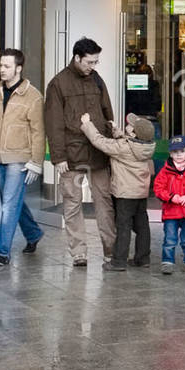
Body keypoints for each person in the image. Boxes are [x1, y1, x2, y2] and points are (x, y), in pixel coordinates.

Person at [44, 37, 116, 267]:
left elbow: (108, 112)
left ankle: (110, 250)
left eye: (96, 62)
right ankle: (79, 253)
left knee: (104, 202)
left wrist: (112, 139)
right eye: (90, 62)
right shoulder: (58, 84)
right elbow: (53, 123)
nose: (93, 67)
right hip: (71, 155)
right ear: (77, 58)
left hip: (98, 153)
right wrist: (58, 157)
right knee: (72, 203)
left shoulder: (97, 80)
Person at [0, 48, 46, 266]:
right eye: (0, 65)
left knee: (8, 205)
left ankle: (1, 252)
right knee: (12, 202)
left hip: (20, 160)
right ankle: (33, 233)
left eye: (6, 66)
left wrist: (36, 163)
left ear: (19, 68)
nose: (2, 70)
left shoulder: (33, 96)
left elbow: (38, 132)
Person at [83, 112, 156, 272]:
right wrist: (117, 132)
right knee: (142, 225)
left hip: (125, 194)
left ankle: (119, 261)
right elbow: (129, 143)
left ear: (133, 133)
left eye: (130, 126)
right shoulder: (146, 146)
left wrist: (87, 124)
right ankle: (143, 258)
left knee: (123, 226)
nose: (127, 126)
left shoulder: (123, 148)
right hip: (141, 193)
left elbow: (100, 142)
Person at [152, 134, 185, 274]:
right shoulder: (165, 171)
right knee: (170, 239)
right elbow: (158, 188)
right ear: (170, 154)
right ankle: (167, 261)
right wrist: (171, 197)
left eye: (182, 151)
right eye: (175, 152)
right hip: (171, 212)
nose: (179, 155)